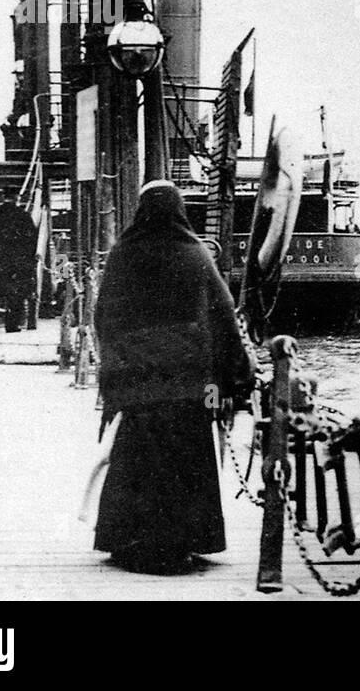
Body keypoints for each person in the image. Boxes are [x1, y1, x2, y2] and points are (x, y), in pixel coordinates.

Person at [93, 181, 254, 573]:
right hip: (195, 390)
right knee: (188, 462)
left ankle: (129, 539)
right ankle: (188, 539)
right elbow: (224, 319)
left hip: (137, 389)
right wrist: (238, 378)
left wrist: (113, 379)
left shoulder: (122, 256)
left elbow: (103, 320)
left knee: (136, 462)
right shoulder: (196, 255)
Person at [0, 186, 37, 334]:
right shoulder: (23, 216)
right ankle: (12, 326)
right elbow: (31, 240)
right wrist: (27, 260)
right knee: (15, 294)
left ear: (3, 196)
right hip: (16, 262)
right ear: (17, 198)